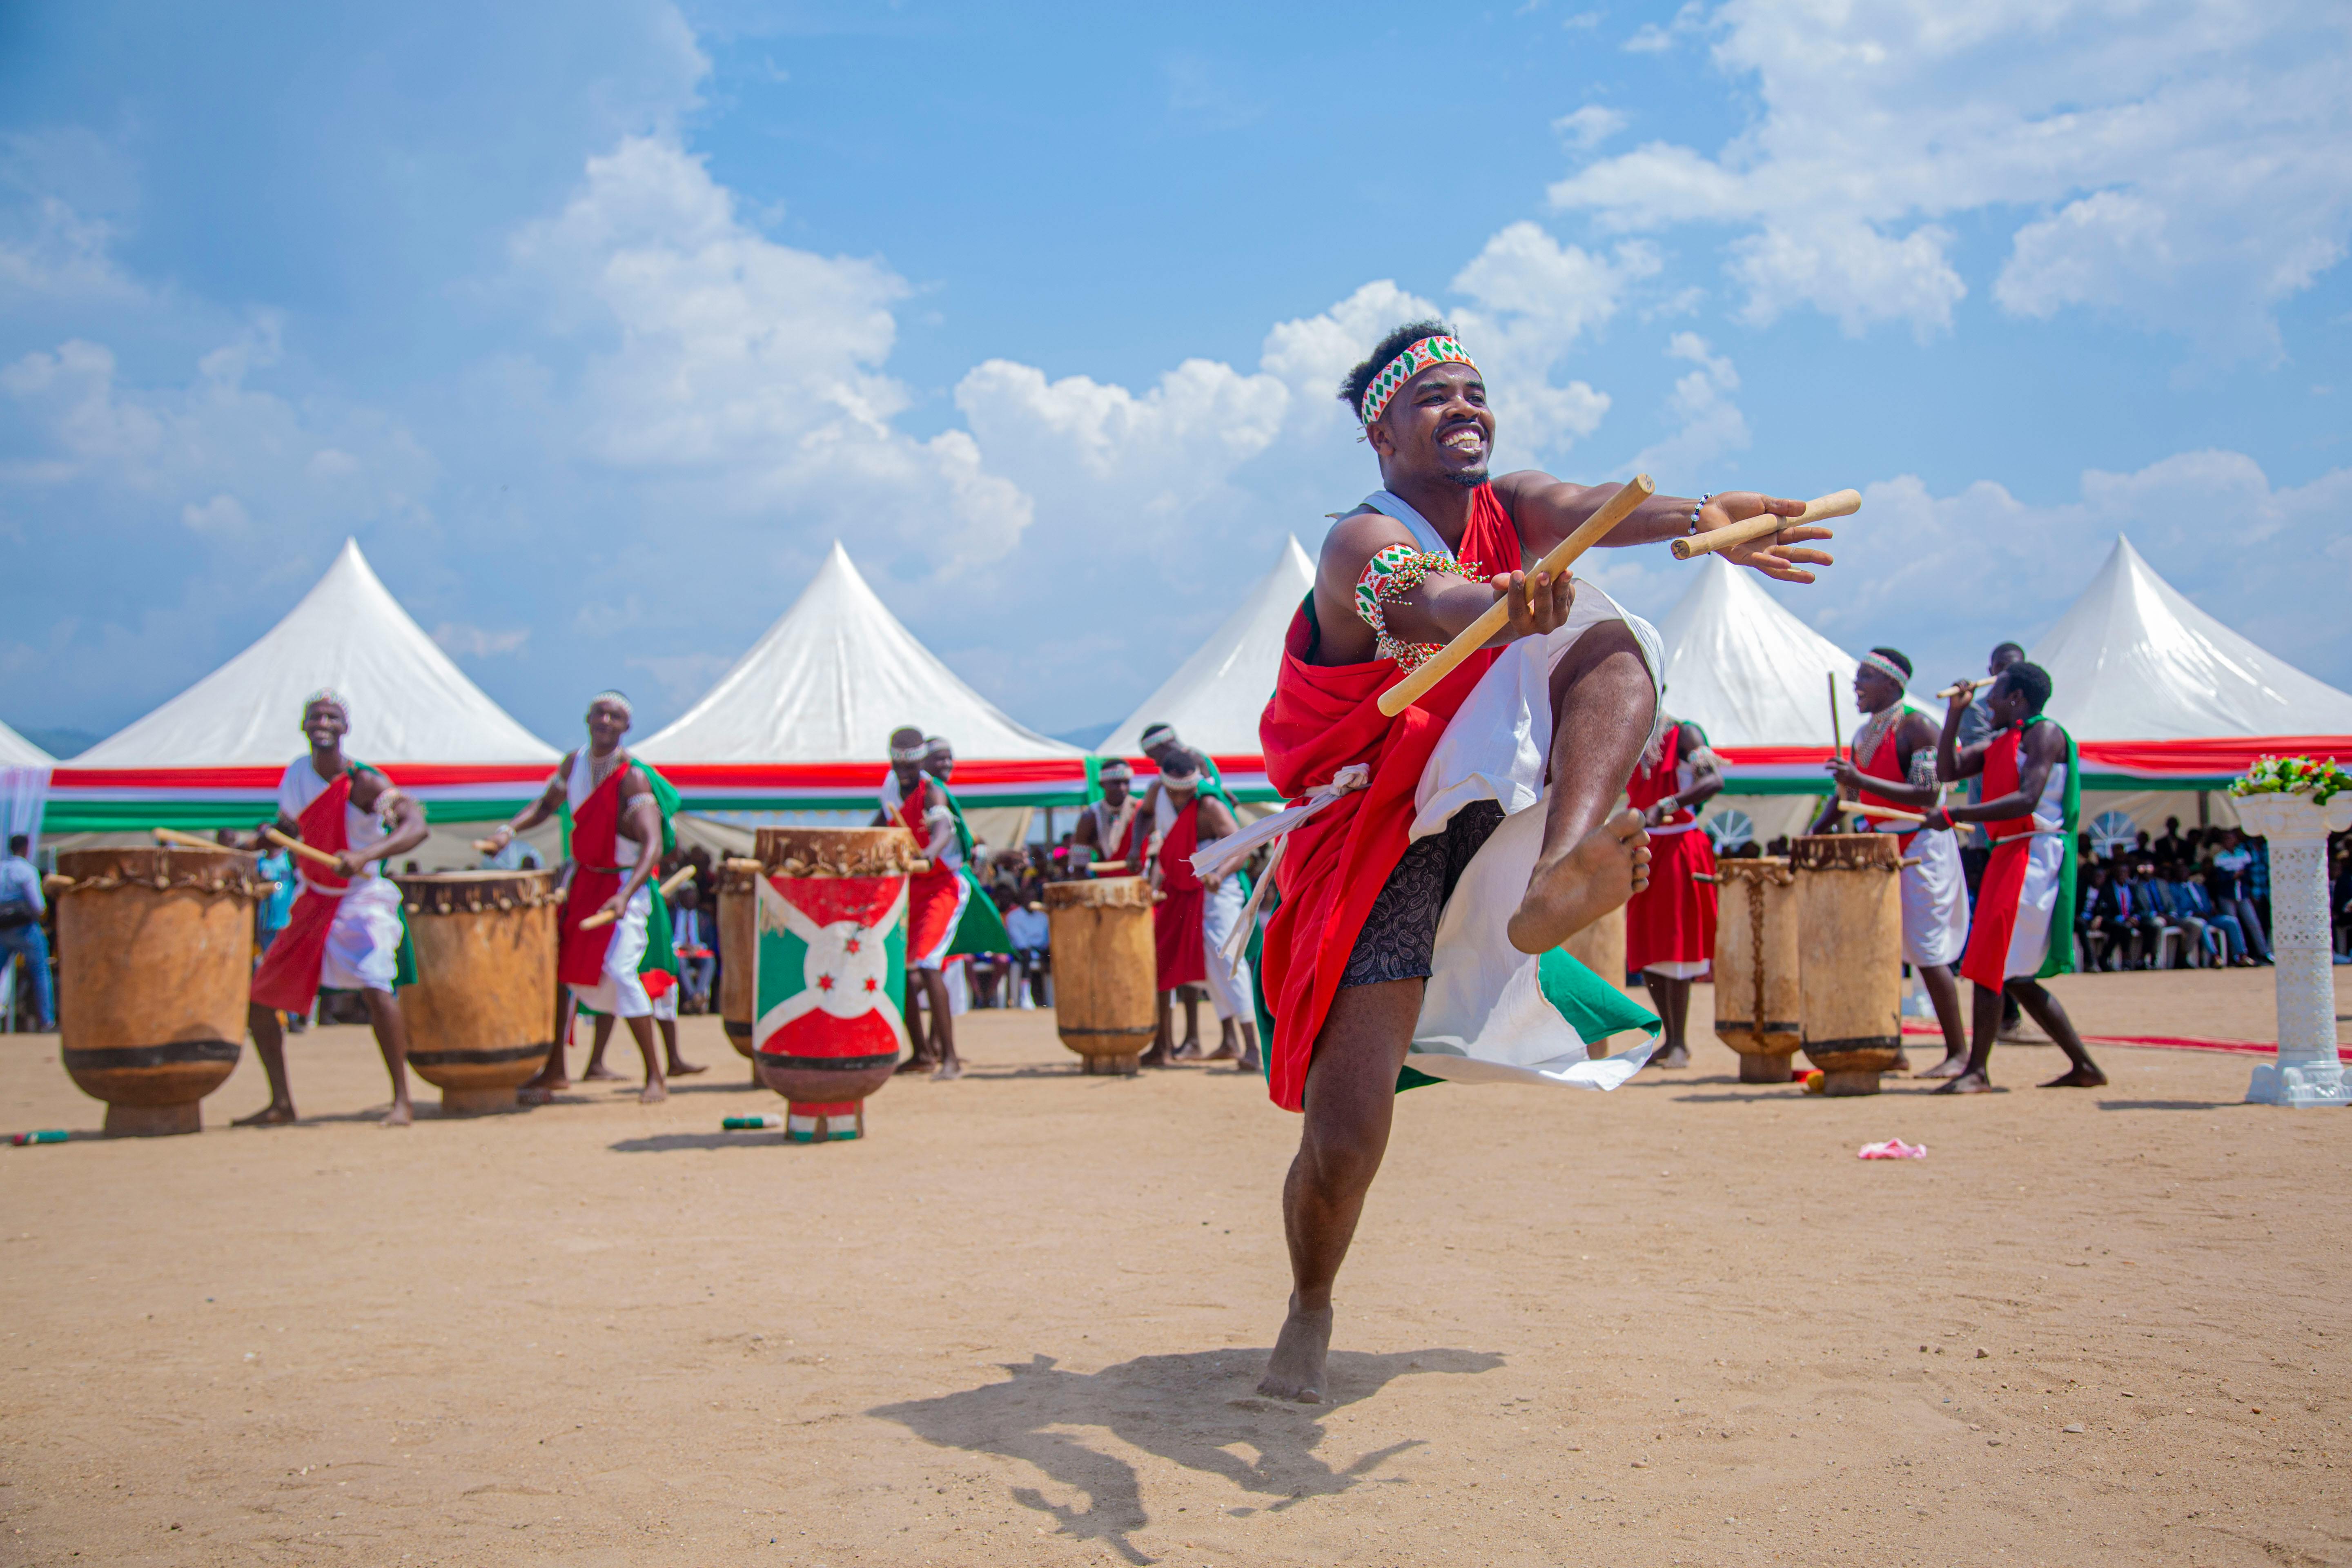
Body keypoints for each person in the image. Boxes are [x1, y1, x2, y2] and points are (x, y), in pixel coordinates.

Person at [1250, 320, 1832, 1401]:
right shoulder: (1358, 539)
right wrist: (1497, 606)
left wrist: (1705, 519)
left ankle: (1555, 875)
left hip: (1495, 802)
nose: (1465, 406)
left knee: (1610, 641)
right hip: (1380, 834)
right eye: (1436, 397)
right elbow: (1422, 597)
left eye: (1477, 390)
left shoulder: (1509, 506)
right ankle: (1311, 1305)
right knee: (1348, 1132)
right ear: (1381, 431)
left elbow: (1589, 505)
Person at [241, 692, 429, 1125]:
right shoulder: (296, 776)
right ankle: (282, 1102)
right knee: (261, 999)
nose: (323, 722)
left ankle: (402, 1100)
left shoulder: (365, 783)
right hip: (314, 899)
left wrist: (367, 855)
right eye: (315, 717)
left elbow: (415, 824)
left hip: (362, 898)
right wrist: (257, 842)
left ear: (345, 729)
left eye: (333, 717)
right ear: (304, 727)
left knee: (377, 988)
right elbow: (294, 826)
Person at [1920, 662, 2106, 1092]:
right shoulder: (2003, 741)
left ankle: (1977, 1072)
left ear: (2017, 699)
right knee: (2014, 974)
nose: (1988, 703)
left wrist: (1957, 814)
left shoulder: (2045, 733)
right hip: (2010, 853)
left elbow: (2026, 800)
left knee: (1991, 963)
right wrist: (1954, 715)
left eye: (1996, 695)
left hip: (2032, 853)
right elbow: (1948, 771)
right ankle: (2085, 1067)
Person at [488, 691, 679, 1105]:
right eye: (600, 713)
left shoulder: (633, 777)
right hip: (586, 882)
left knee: (620, 969)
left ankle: (656, 1075)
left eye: (615, 716)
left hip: (625, 885)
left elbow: (652, 846)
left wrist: (626, 896)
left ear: (626, 727)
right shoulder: (574, 765)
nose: (606, 721)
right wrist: (509, 830)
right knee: (566, 973)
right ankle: (556, 1068)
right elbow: (546, 805)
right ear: (588, 718)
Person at [1815, 647, 1970, 1075]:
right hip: (1879, 848)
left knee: (1926, 950)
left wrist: (1858, 779)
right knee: (1880, 947)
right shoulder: (1864, 734)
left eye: (1865, 678)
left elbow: (1927, 795)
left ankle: (1958, 1052)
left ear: (1892, 685)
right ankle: (1891, 1047)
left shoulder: (1918, 727)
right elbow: (1851, 797)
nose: (1856, 686)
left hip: (1921, 846)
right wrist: (1818, 829)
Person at [1624, 708, 1721, 1069]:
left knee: (1677, 943)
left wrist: (1666, 804)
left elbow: (1714, 781)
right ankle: (1669, 1039)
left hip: (1680, 846)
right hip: (1643, 846)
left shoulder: (1686, 734)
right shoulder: (1626, 731)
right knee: (1646, 943)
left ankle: (1679, 1041)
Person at [875, 726, 967, 1080]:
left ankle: (951, 1058)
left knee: (929, 964)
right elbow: (882, 823)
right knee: (901, 968)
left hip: (942, 885)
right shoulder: (889, 788)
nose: (906, 776)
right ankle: (922, 1054)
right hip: (911, 888)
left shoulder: (933, 793)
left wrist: (928, 853)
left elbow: (944, 831)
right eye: (900, 769)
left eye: (911, 770)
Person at [0, 833, 54, 1033]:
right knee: (40, 971)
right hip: (25, 929)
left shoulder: (1, 870)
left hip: (2, 929)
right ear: (26, 849)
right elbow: (38, 906)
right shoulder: (27, 871)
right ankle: (46, 1021)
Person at [2209, 828, 2272, 964]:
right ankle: (2237, 955)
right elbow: (2221, 878)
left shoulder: (2244, 854)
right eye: (2225, 840)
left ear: (2236, 841)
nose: (2228, 842)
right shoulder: (2220, 858)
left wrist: (2234, 876)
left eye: (2230, 839)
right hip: (2227, 896)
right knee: (2233, 924)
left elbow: (2248, 875)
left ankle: (2264, 953)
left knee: (2254, 923)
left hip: (2242, 895)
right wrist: (2234, 876)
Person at [1071, 759, 1143, 872]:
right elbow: (1079, 865)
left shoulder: (1142, 811)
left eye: (1126, 783)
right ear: (1102, 784)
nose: (1122, 788)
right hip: (1105, 881)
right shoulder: (1090, 816)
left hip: (1138, 880)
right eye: (1116, 783)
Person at [669, 881, 717, 1013]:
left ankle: (698, 995)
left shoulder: (704, 917)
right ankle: (695, 998)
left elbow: (710, 941)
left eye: (693, 895)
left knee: (709, 961)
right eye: (688, 895)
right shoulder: (671, 916)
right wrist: (682, 946)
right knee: (679, 962)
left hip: (699, 952)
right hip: (679, 952)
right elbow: (666, 938)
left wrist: (698, 948)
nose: (691, 898)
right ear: (680, 897)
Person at [1004, 895, 1049, 1008]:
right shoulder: (1013, 917)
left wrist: (1040, 949)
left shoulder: (1043, 917)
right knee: (1026, 954)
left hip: (1040, 949)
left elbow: (1045, 939)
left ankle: (1052, 997)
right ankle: (1025, 994)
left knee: (1052, 955)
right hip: (1022, 952)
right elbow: (1019, 941)